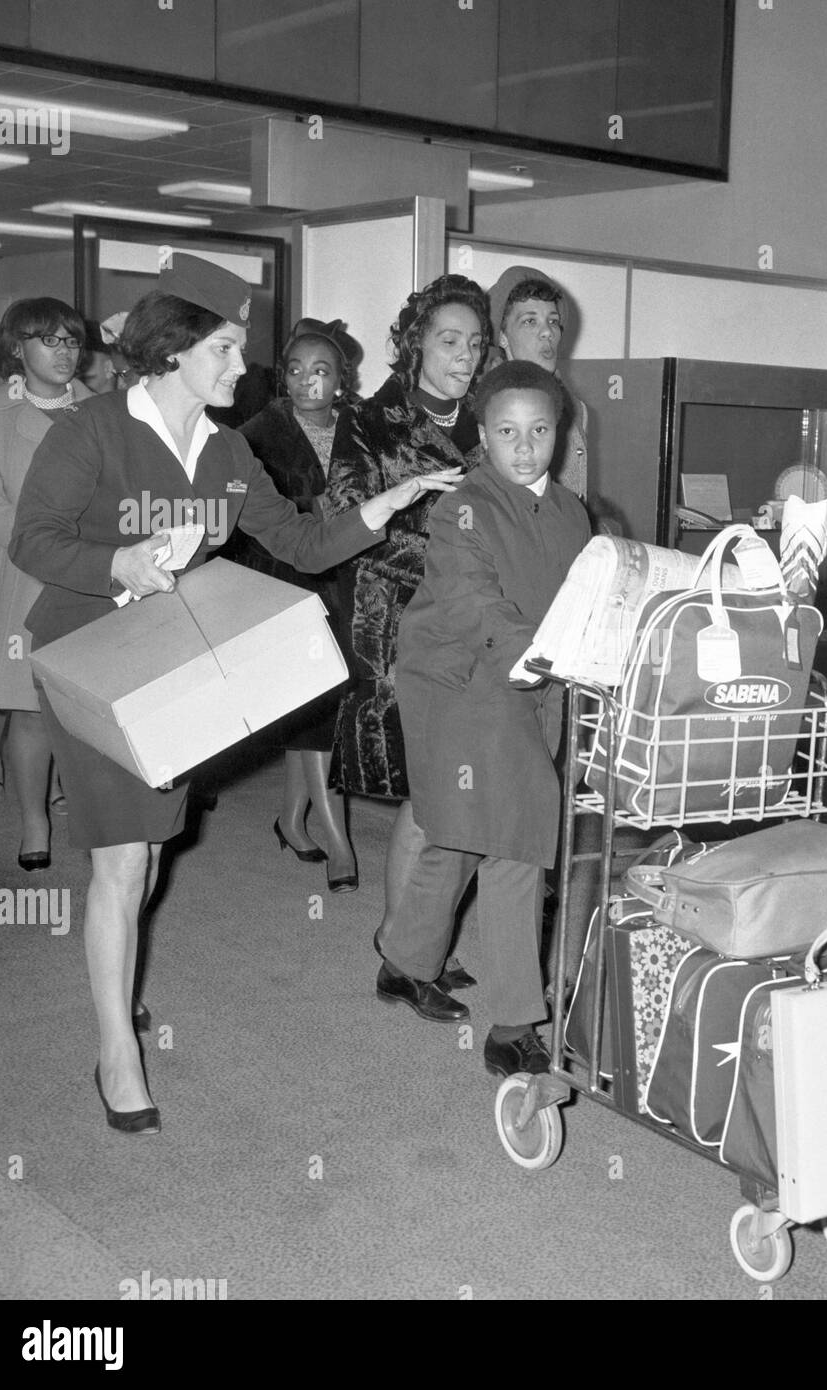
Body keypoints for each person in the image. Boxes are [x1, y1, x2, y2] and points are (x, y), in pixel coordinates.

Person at [10, 254, 460, 1135]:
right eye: (223, 348)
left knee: (144, 856)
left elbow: (300, 540)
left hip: (173, 666)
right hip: (92, 659)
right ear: (174, 350)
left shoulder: (227, 449)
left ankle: (115, 981)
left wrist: (387, 502)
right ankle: (116, 1051)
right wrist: (119, 564)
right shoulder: (94, 431)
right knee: (125, 858)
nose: (239, 367)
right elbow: (34, 539)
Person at [383, 361, 591, 1075]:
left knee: (464, 837)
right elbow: (474, 597)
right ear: (482, 434)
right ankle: (513, 1022)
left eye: (539, 430)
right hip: (468, 685)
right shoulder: (462, 507)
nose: (525, 446)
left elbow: (586, 598)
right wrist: (530, 656)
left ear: (558, 433)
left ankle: (403, 960)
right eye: (507, 432)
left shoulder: (570, 511)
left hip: (537, 683)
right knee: (516, 843)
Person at [326, 273, 489, 988]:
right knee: (427, 796)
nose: (463, 355)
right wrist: (454, 546)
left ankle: (418, 942)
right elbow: (347, 523)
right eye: (449, 339)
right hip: (400, 625)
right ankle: (402, 952)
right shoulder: (369, 420)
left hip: (481, 627)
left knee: (460, 794)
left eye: (475, 343)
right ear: (415, 342)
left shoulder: (492, 419)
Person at [235, 318, 364, 892]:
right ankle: (339, 844)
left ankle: (291, 819)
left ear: (342, 379)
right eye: (296, 369)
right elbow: (253, 517)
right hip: (290, 585)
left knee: (317, 708)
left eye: (322, 370)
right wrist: (320, 505)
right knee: (319, 713)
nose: (308, 381)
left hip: (357, 583)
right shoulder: (255, 433)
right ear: (282, 377)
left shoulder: (362, 429)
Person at [0, 298, 92, 865]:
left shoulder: (108, 410)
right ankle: (33, 821)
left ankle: (92, 804)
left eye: (71, 340)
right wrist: (45, 538)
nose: (65, 351)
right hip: (25, 573)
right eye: (50, 340)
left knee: (89, 700)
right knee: (28, 705)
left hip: (98, 575)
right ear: (17, 349)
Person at [486, 265, 588, 499]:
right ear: (502, 336)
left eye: (553, 322)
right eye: (530, 321)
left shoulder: (577, 409)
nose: (547, 332)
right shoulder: (483, 406)